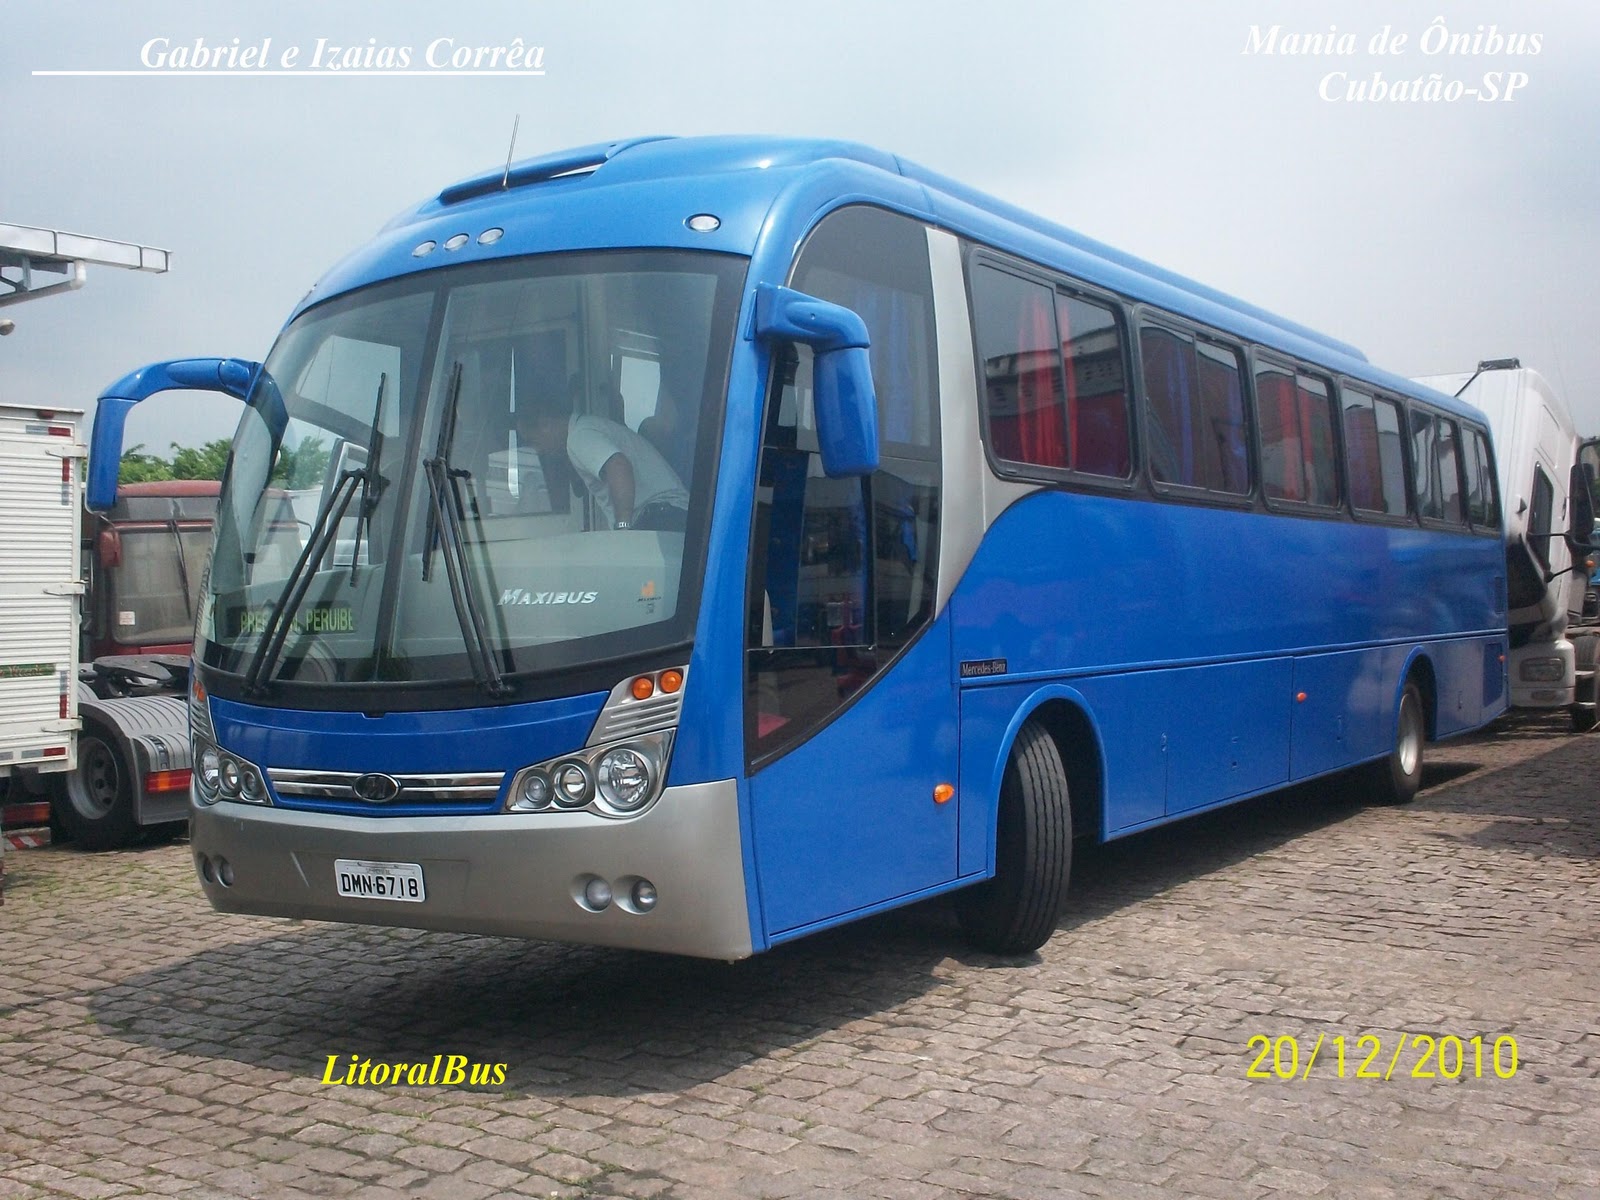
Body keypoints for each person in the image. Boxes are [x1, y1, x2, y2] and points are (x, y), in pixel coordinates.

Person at [518, 396, 689, 531]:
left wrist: (623, 528)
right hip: (671, 514)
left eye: (534, 441)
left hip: (661, 517)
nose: (538, 450)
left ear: (545, 424)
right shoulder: (588, 427)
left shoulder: (579, 437)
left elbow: (618, 466)